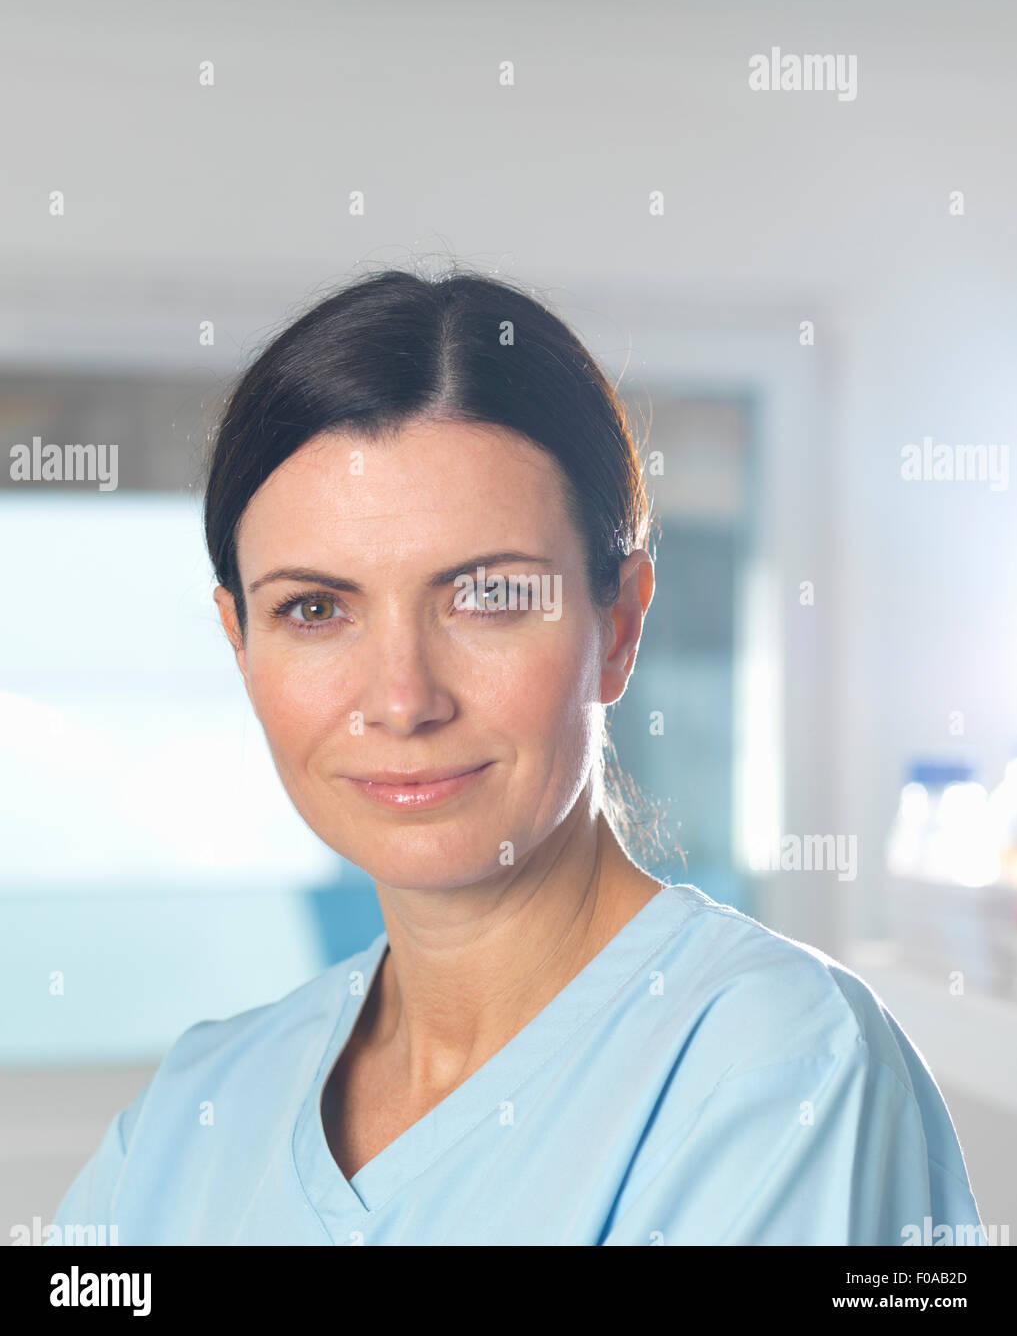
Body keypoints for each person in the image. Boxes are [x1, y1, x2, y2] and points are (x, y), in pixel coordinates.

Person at [52, 267, 984, 1245]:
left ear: (617, 623)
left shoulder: (788, 1068)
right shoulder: (193, 1114)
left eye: (487, 596)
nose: (403, 699)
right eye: (316, 609)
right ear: (240, 642)